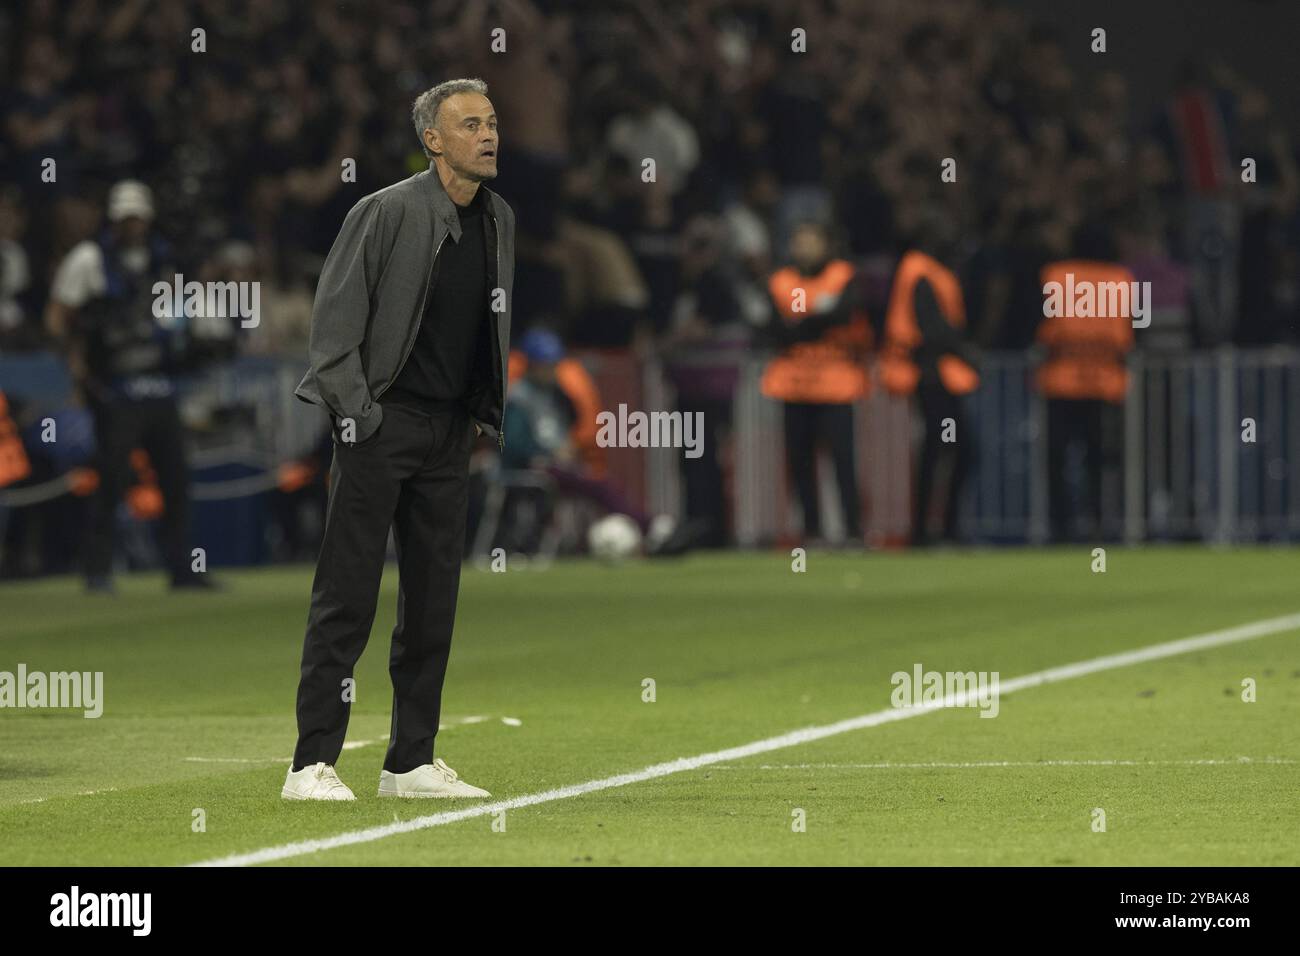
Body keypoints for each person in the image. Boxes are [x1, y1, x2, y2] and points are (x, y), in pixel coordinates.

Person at [285, 79, 515, 801]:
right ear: (434, 140)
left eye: (493, 122)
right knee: (346, 596)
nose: (489, 135)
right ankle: (310, 763)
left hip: (449, 434)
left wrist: (477, 415)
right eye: (471, 124)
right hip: (381, 424)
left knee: (432, 603)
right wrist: (360, 415)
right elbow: (333, 330)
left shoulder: (500, 218)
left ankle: (409, 762)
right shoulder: (382, 211)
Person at [44, 180, 215, 592]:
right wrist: (75, 363)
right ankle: (98, 570)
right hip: (114, 388)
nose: (132, 225)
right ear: (115, 219)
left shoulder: (163, 260)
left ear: (148, 218)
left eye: (137, 217)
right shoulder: (89, 259)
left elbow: (176, 318)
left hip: (159, 386)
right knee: (112, 479)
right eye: (125, 218)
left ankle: (181, 569)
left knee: (175, 479)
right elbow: (57, 314)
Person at [756, 221, 871, 545]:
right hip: (793, 385)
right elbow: (775, 328)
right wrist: (817, 315)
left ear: (826, 244)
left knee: (843, 461)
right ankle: (812, 532)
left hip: (836, 385)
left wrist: (801, 320)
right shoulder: (781, 280)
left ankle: (852, 532)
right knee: (800, 462)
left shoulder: (843, 275)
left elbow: (844, 314)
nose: (804, 248)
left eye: (811, 241)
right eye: (799, 241)